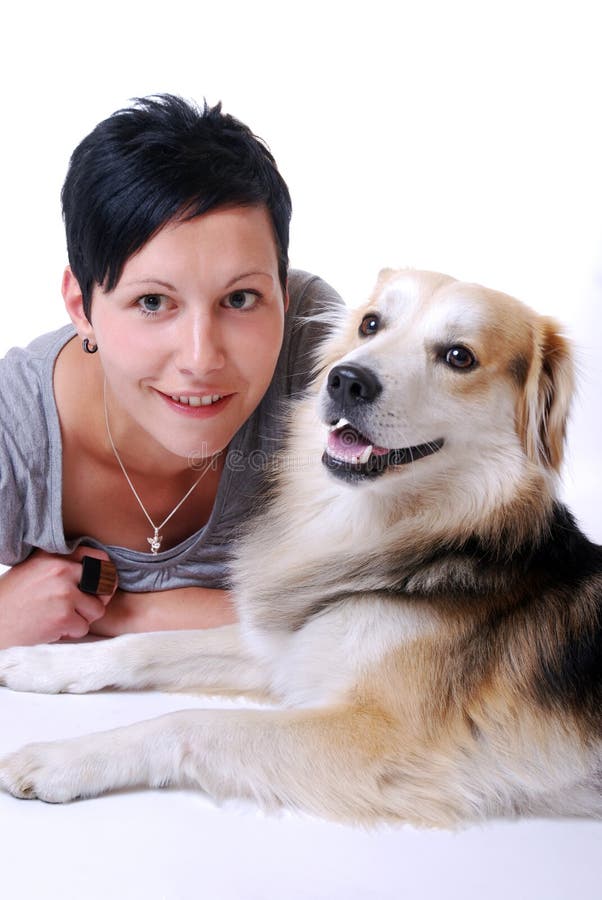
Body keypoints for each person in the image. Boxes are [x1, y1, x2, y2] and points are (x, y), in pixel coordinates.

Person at [0, 94, 342, 650]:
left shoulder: (312, 350)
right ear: (81, 307)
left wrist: (128, 615)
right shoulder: (14, 435)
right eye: (153, 302)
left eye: (240, 298)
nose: (201, 358)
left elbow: (398, 608)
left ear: (283, 295)